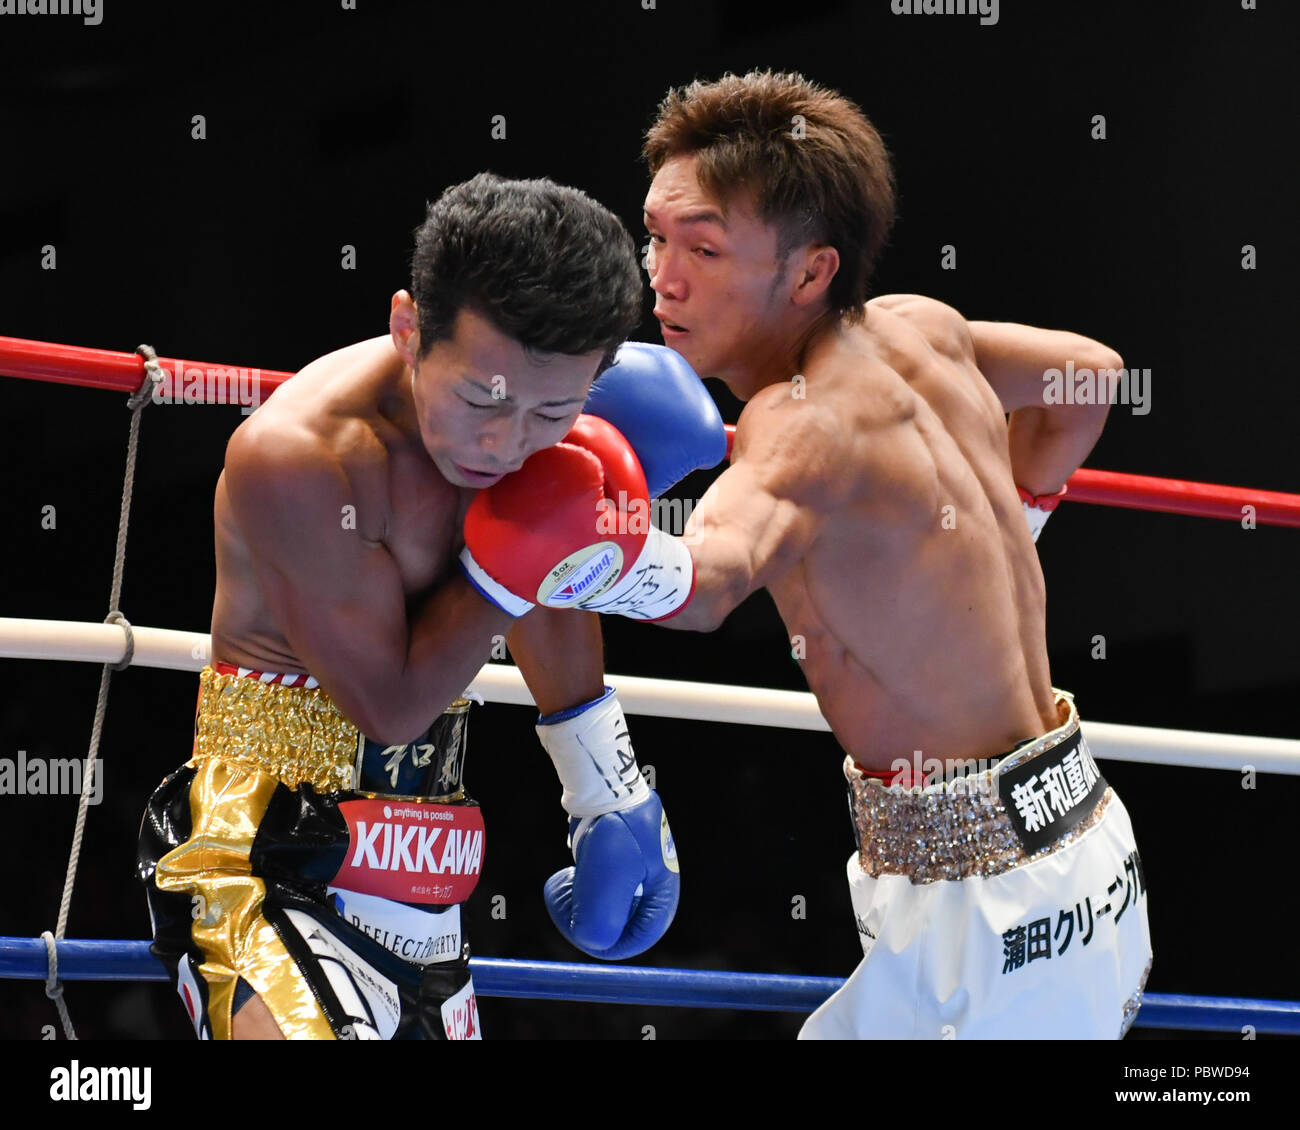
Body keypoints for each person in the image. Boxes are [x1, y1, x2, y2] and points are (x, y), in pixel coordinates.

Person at [459, 72, 1153, 1038]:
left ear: (810, 272)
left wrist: (567, 539)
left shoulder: (799, 419)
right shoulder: (924, 328)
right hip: (1083, 850)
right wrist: (991, 535)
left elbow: (707, 585)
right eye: (656, 236)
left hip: (985, 919)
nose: (662, 276)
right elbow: (1094, 381)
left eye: (702, 247)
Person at [137, 173, 704, 1040]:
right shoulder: (303, 457)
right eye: (481, 398)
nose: (505, 441)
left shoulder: (529, 434)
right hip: (265, 854)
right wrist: (515, 564)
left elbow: (540, 566)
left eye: (555, 411)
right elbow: (395, 704)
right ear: (409, 327)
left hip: (424, 861)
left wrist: (606, 786)